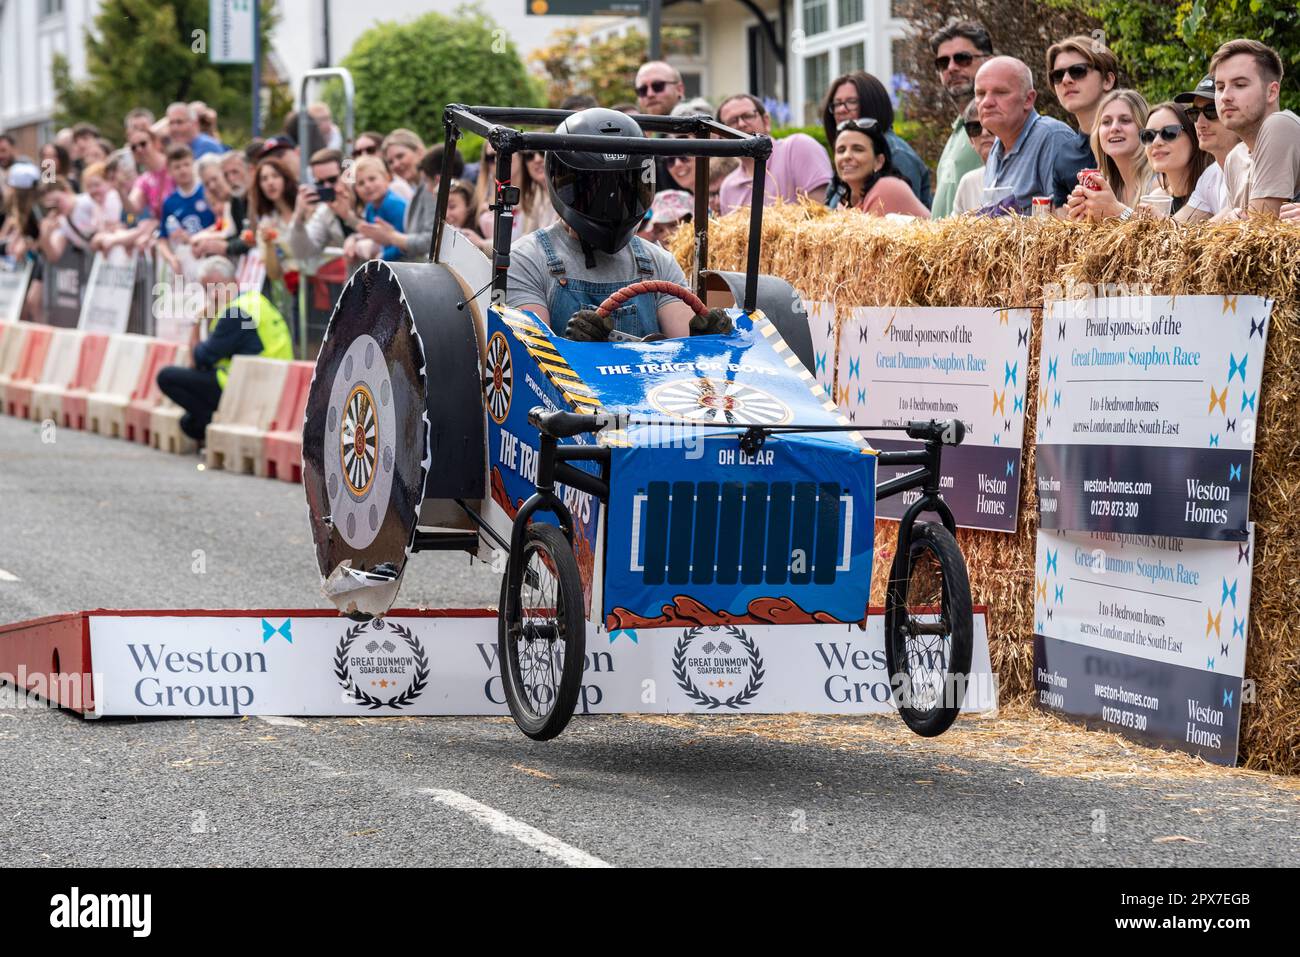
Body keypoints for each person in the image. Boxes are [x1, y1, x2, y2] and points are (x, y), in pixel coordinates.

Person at [506, 108, 731, 342]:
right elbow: (531, 352)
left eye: (624, 187)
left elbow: (682, 341)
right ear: (561, 182)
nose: (612, 199)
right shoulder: (527, 260)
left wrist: (703, 341)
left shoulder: (658, 262)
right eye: (598, 189)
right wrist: (576, 350)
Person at [156, 257, 293, 443]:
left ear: (235, 283)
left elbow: (196, 361)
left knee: (166, 377)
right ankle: (206, 420)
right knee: (188, 423)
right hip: (272, 380)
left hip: (246, 387)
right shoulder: (255, 301)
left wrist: (197, 321)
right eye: (208, 289)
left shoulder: (235, 314)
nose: (213, 295)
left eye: (218, 287)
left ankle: (211, 419)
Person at [1212, 39, 1300, 216]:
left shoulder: (1281, 125)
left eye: (1240, 85)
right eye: (1220, 87)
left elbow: (1259, 230)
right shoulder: (1234, 159)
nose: (1225, 97)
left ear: (1271, 92)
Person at [975, 56, 1075, 211]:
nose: (987, 102)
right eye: (980, 93)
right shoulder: (997, 145)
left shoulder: (1053, 138)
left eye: (1000, 92)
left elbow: (1070, 221)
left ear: (1028, 99)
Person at [821, 72, 932, 207]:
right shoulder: (847, 159)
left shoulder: (896, 153)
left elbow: (901, 217)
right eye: (837, 104)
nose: (841, 110)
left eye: (851, 102)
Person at [717, 94, 833, 214]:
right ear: (721, 137)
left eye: (748, 116)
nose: (741, 124)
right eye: (732, 121)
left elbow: (822, 215)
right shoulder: (728, 188)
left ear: (766, 121)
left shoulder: (798, 148)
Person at [929, 20, 994, 217]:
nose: (951, 67)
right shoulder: (959, 129)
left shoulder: (999, 124)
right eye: (943, 62)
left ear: (989, 61)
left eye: (962, 59)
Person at [1045, 35, 1118, 208]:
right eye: (1057, 75)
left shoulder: (1144, 139)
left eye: (1078, 71)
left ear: (1107, 80)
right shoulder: (1064, 156)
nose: (1066, 80)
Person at [1065, 90, 1155, 221]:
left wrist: (1117, 210)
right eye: (1106, 122)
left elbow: (1159, 235)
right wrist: (1082, 221)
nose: (1114, 128)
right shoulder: (1107, 187)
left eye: (1125, 120)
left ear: (1144, 130)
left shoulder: (1159, 184)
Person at [826, 118, 931, 218]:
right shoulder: (847, 196)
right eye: (841, 150)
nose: (846, 156)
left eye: (858, 149)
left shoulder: (886, 188)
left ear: (879, 161)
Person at [1172, 75, 1242, 223]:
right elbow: (1175, 230)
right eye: (1194, 113)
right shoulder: (1211, 174)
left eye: (1212, 111)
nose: (1200, 123)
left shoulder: (1254, 166)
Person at [1141, 102, 1212, 216]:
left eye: (1169, 132)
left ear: (1194, 136)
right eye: (1148, 135)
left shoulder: (1214, 194)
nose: (1156, 142)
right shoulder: (1157, 199)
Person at [156, 145, 216, 273]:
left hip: (211, 259)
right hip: (187, 264)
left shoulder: (208, 191)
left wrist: (198, 238)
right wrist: (171, 259)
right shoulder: (170, 202)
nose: (183, 170)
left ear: (194, 165)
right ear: (170, 171)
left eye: (186, 165)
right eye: (177, 167)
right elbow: (162, 239)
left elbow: (222, 224)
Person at [288, 148, 352, 267]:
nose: (327, 187)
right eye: (320, 183)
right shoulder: (325, 211)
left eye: (332, 180)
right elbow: (303, 253)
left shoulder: (368, 197)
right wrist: (298, 216)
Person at [249, 154, 301, 296]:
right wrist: (269, 244)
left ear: (285, 178)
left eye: (275, 176)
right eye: (264, 179)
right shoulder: (266, 224)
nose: (270, 182)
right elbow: (274, 273)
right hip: (296, 291)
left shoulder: (305, 206)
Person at [345, 154, 407, 263]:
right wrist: (354, 239)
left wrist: (379, 259)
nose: (367, 185)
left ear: (387, 178)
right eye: (361, 183)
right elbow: (370, 235)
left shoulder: (395, 205)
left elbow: (403, 244)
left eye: (372, 179)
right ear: (356, 190)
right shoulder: (370, 208)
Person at [951, 101, 1000, 214]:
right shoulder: (968, 182)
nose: (984, 133)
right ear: (970, 140)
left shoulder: (1023, 178)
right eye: (975, 127)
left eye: (990, 126)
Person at [126, 129, 172, 221]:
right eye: (133, 147)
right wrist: (119, 189)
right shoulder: (144, 180)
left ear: (156, 143)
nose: (139, 149)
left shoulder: (174, 164)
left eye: (143, 144)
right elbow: (134, 208)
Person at [381, 129, 423, 202]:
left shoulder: (436, 184)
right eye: (390, 162)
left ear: (418, 152)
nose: (396, 165)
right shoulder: (415, 189)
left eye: (400, 156)